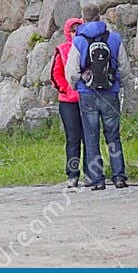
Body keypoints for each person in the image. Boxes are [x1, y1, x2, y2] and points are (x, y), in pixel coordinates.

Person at [63, 5, 127, 190]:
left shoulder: (79, 41)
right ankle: (119, 176)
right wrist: (117, 83)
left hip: (87, 94)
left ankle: (97, 179)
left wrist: (78, 86)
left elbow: (72, 71)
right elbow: (124, 67)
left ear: (84, 18)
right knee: (113, 136)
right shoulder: (114, 38)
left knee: (91, 137)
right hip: (110, 92)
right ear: (100, 17)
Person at [50, 16, 85, 187]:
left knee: (89, 137)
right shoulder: (62, 49)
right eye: (72, 29)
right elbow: (56, 74)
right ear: (67, 31)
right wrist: (66, 89)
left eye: (78, 29)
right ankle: (72, 173)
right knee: (73, 139)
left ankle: (92, 172)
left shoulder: (85, 46)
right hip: (68, 101)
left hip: (86, 99)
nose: (75, 32)